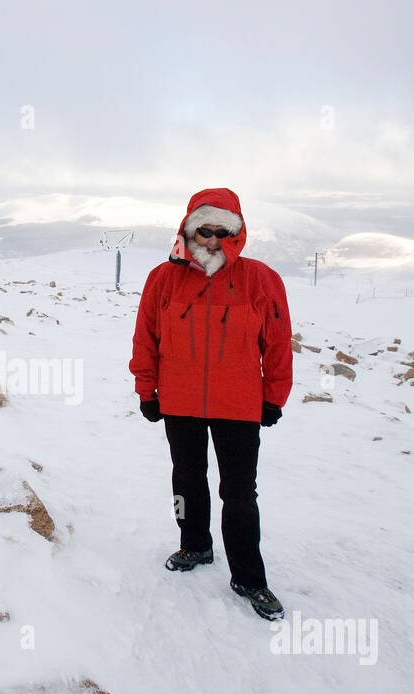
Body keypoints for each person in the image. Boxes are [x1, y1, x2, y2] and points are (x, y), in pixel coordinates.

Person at [128, 187, 293, 620]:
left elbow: (277, 344)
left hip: (239, 405)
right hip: (179, 401)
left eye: (224, 231)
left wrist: (273, 397)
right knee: (186, 480)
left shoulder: (261, 279)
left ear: (236, 234)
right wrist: (147, 389)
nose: (214, 239)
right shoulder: (163, 279)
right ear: (190, 228)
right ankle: (195, 545)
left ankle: (249, 578)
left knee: (239, 494)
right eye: (206, 229)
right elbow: (146, 337)